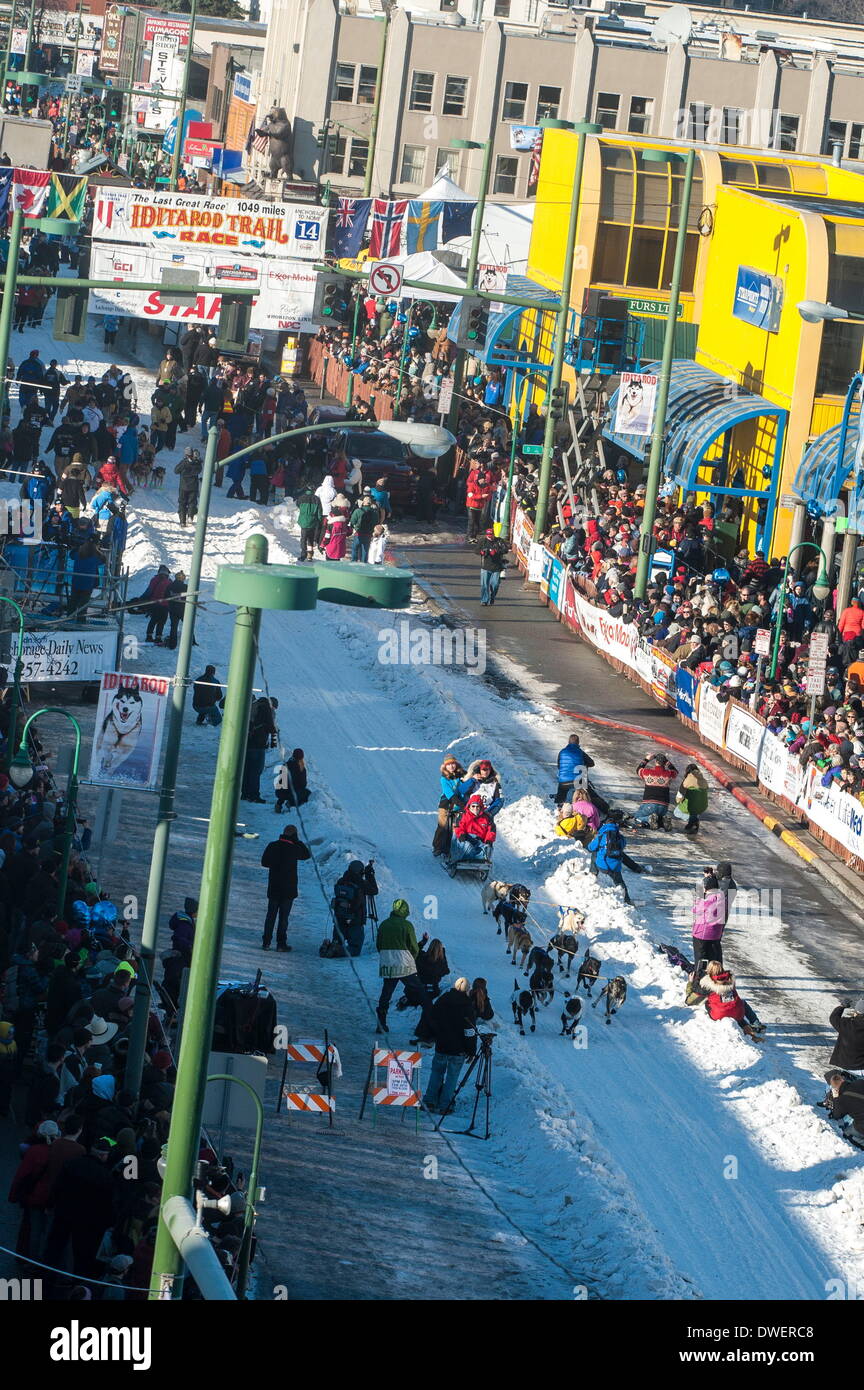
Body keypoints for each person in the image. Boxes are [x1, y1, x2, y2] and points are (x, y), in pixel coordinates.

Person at [423, 978, 474, 1115]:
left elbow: (432, 1018)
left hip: (442, 1045)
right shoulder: (467, 1005)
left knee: (436, 1072)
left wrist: (433, 1035)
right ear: (467, 990)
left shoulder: (443, 1000)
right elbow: (470, 1030)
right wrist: (471, 1050)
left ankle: (429, 1100)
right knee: (452, 1077)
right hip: (458, 1049)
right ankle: (445, 1105)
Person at [260, 825, 311, 951]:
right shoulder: (294, 848)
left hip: (274, 887)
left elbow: (264, 862)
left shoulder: (272, 845)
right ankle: (281, 944)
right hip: (288, 890)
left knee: (270, 916)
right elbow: (306, 855)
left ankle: (266, 942)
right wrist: (297, 841)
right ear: (294, 835)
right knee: (284, 918)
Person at [375, 897, 419, 1031]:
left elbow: (379, 945)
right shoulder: (407, 926)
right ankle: (427, 1023)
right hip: (405, 966)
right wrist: (412, 959)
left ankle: (381, 1023)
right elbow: (414, 947)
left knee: (386, 993)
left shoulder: (384, 924)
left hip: (388, 965)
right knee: (419, 991)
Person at [586, 810, 643, 905]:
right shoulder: (619, 837)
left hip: (602, 866)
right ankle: (626, 899)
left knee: (595, 853)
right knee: (619, 882)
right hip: (615, 867)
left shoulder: (601, 835)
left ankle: (593, 873)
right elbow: (623, 845)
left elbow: (591, 848)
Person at [700, 960, 765, 1038]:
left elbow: (696, 996)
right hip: (737, 1011)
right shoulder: (730, 978)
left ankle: (748, 1031)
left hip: (719, 1014)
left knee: (707, 1003)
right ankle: (755, 1025)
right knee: (739, 1006)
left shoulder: (707, 982)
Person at [433, 757, 473, 857]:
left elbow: (469, 783)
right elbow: (449, 794)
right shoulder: (444, 778)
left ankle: (450, 849)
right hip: (446, 804)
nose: (451, 766)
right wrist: (461, 805)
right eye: (449, 764)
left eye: (453, 764)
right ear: (445, 766)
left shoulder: (462, 774)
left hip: (459, 804)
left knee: (455, 828)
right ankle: (438, 847)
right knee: (443, 827)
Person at [241, 695, 278, 802]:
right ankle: (254, 796)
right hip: (258, 744)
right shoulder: (267, 709)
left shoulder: (255, 705)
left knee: (247, 770)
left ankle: (245, 794)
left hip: (247, 742)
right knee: (256, 771)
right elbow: (271, 728)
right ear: (272, 705)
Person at [330, 859, 368, 956]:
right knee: (355, 949)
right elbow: (374, 890)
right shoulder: (360, 884)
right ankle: (337, 950)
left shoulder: (341, 881)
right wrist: (370, 876)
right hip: (355, 920)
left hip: (339, 917)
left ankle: (332, 947)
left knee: (337, 941)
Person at [634, 754, 678, 828]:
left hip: (649, 804)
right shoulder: (669, 774)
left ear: (656, 762)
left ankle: (649, 819)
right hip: (664, 806)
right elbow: (675, 772)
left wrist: (646, 759)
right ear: (665, 763)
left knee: (637, 818)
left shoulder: (647, 772)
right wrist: (667, 762)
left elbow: (638, 770)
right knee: (656, 820)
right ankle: (663, 821)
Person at [828, 995, 864, 1078]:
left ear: (856, 1012)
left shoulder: (846, 1024)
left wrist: (842, 1007)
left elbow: (833, 1018)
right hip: (862, 1068)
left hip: (844, 1067)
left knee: (838, 1089)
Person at [824, 1071, 864, 1145]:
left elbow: (836, 1116)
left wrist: (836, 1098)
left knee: (846, 1134)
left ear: (835, 1089)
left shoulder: (841, 1100)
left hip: (862, 1126)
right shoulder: (860, 1082)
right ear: (843, 1079)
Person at [452, 794, 496, 861]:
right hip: (466, 839)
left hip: (479, 842)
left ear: (481, 807)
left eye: (477, 806)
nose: (475, 808)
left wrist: (488, 840)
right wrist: (461, 834)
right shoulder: (463, 816)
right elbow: (458, 827)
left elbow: (491, 831)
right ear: (469, 806)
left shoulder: (487, 818)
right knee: (467, 847)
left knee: (487, 849)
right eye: (473, 806)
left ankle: (479, 859)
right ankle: (456, 859)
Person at [555, 734, 594, 805]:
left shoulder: (562, 752)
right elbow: (591, 763)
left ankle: (560, 806)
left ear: (568, 742)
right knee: (587, 794)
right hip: (578, 782)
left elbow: (559, 766)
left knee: (561, 797)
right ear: (578, 742)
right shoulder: (580, 752)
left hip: (563, 782)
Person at [676, 763, 709, 833]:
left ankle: (693, 820)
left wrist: (679, 802)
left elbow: (679, 796)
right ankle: (693, 820)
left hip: (691, 806)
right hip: (703, 806)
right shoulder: (704, 780)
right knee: (694, 807)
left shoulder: (686, 780)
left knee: (676, 812)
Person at [478, 527, 508, 606]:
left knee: (495, 585)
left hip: (497, 567)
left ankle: (492, 597)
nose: (489, 536)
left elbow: (506, 550)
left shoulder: (499, 541)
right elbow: (476, 550)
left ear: (493, 534)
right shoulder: (483, 541)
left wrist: (496, 551)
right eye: (487, 534)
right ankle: (484, 600)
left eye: (490, 534)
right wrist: (482, 552)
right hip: (485, 567)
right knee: (484, 585)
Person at [175, 449, 202, 528]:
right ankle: (190, 516)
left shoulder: (184, 462)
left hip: (183, 486)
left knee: (182, 503)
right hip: (193, 486)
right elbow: (199, 470)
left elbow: (176, 470)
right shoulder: (197, 464)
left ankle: (182, 521)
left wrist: (184, 463)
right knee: (192, 502)